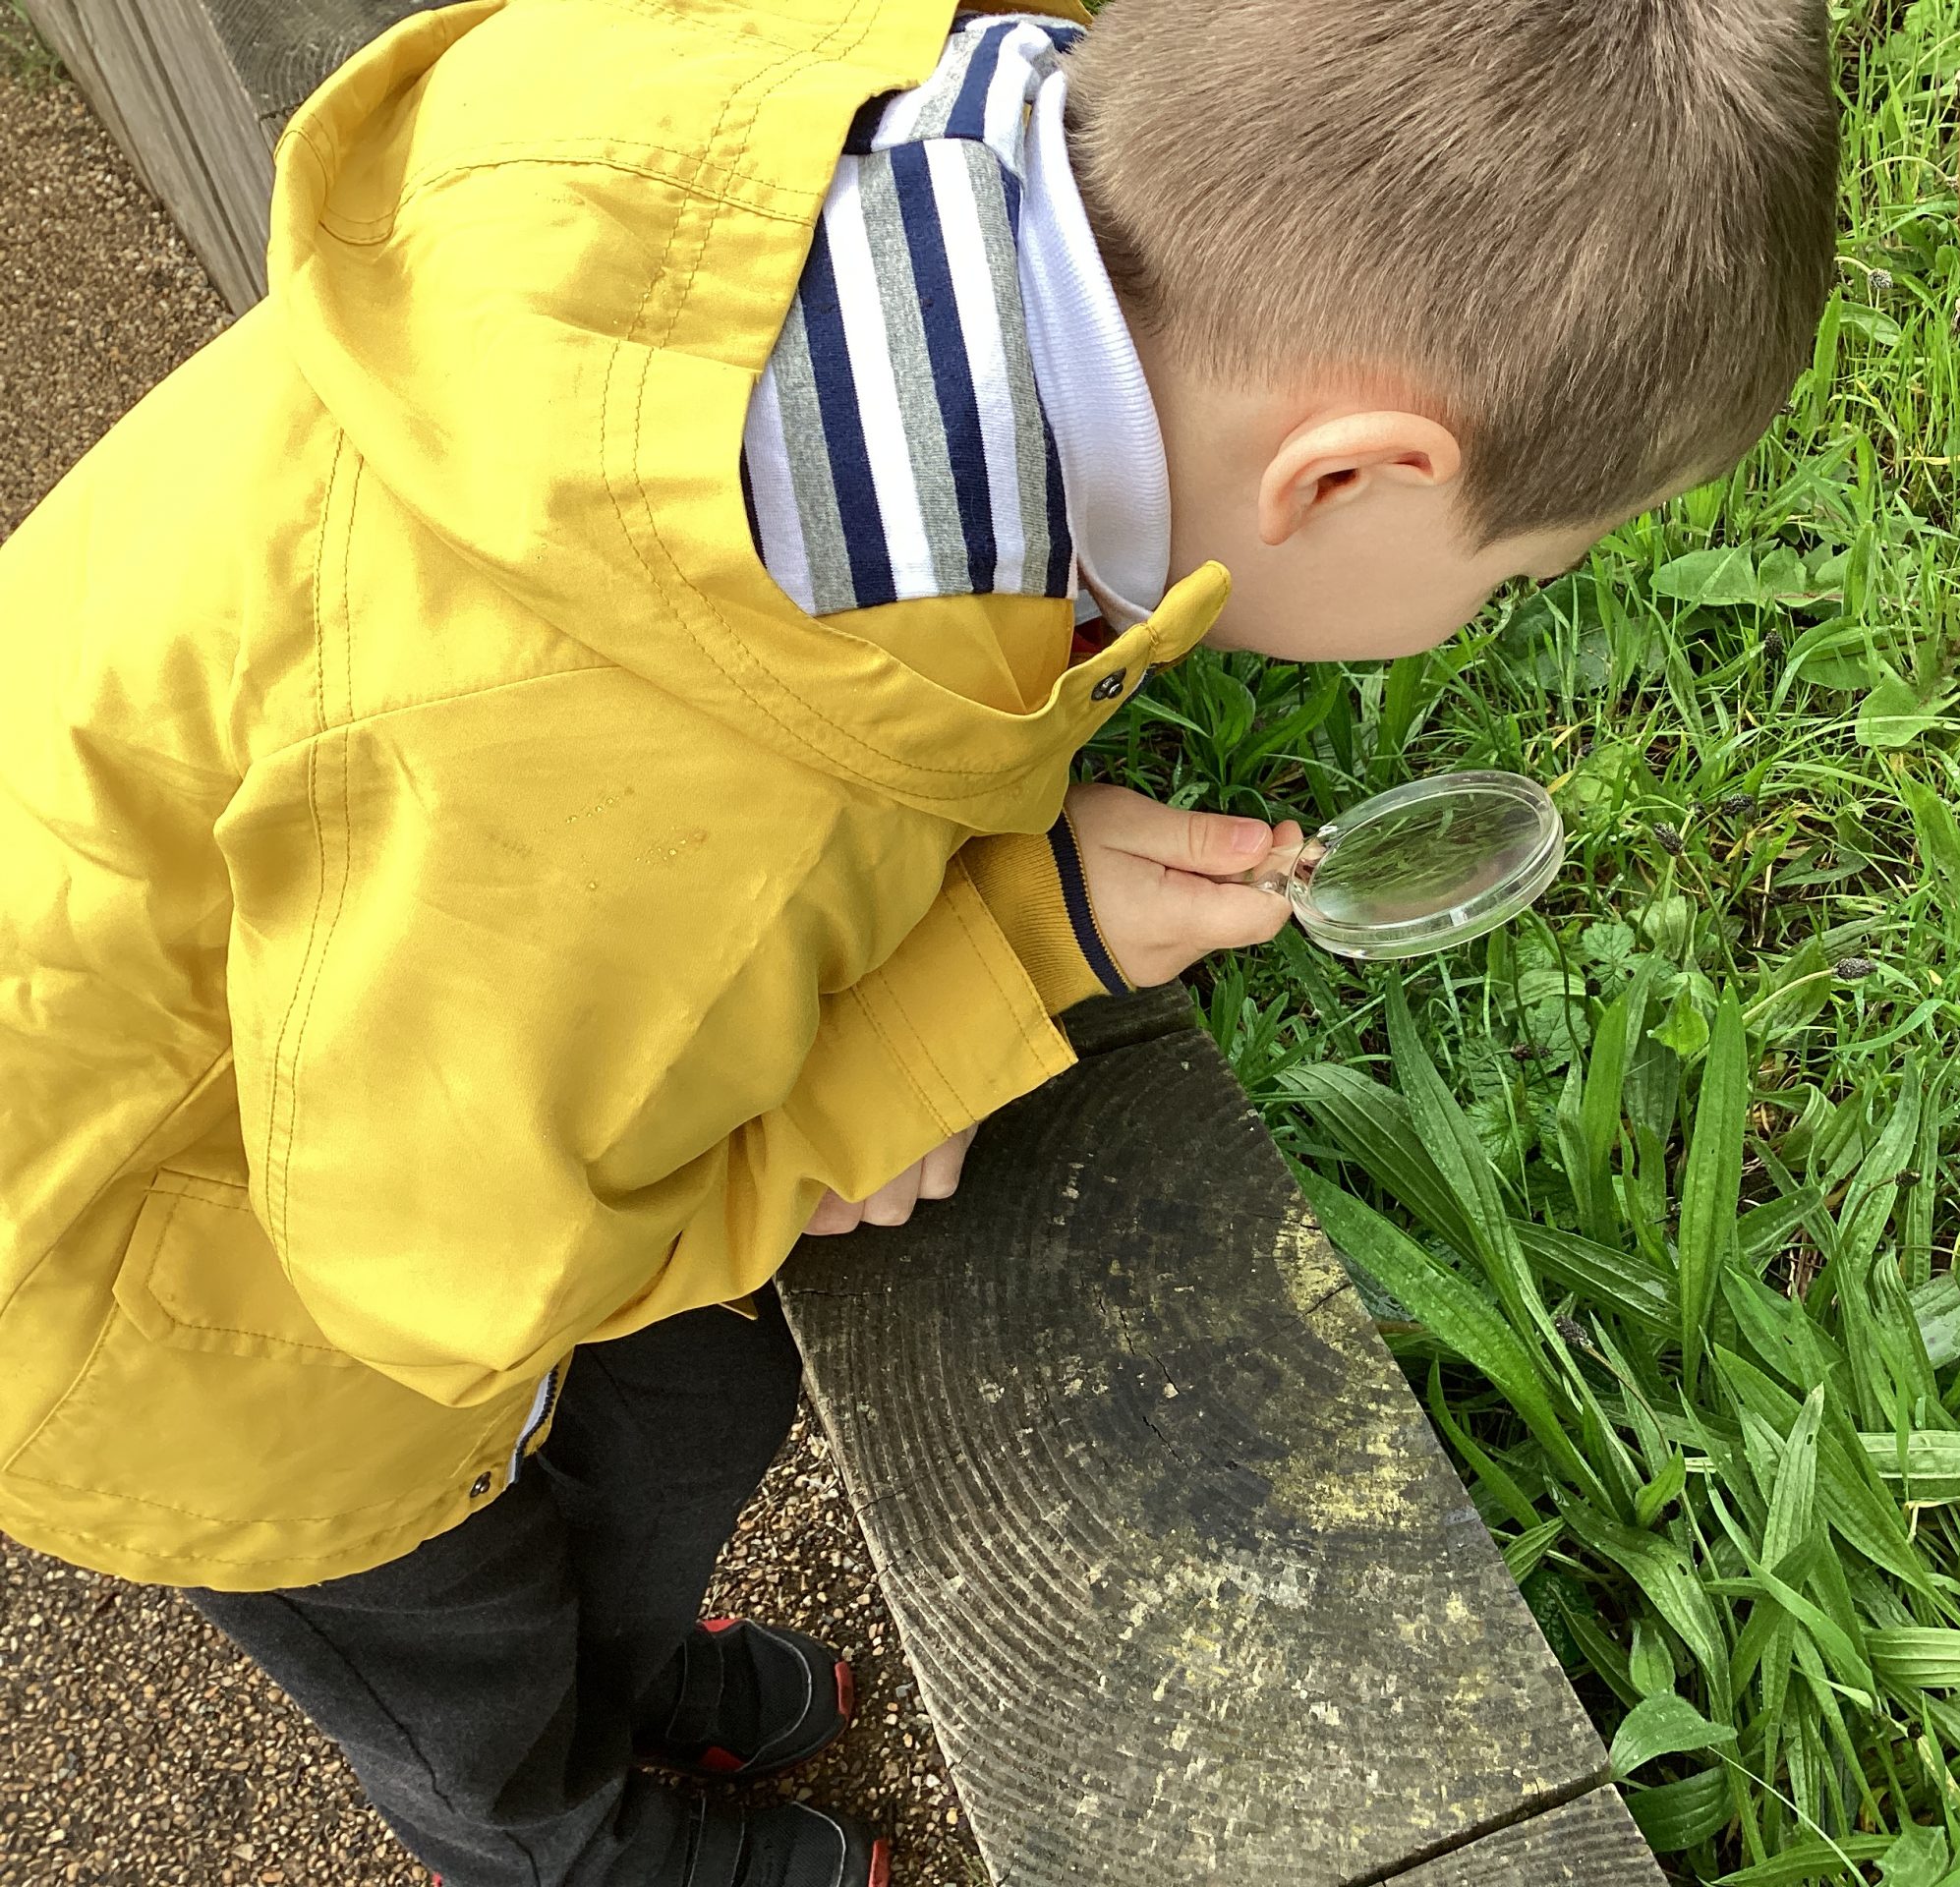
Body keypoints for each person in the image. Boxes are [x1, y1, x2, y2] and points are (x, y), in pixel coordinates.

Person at [0, 0, 1837, 1877]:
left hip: (306, 980)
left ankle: (618, 1689)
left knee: (692, 1403)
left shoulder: (895, 127)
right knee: (447, 1646)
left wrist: (1004, 822)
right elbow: (463, 1279)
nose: (1524, 601)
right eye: (1525, 571)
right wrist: (985, 970)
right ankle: (571, 1840)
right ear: (1343, 479)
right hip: (173, 1296)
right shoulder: (695, 764)